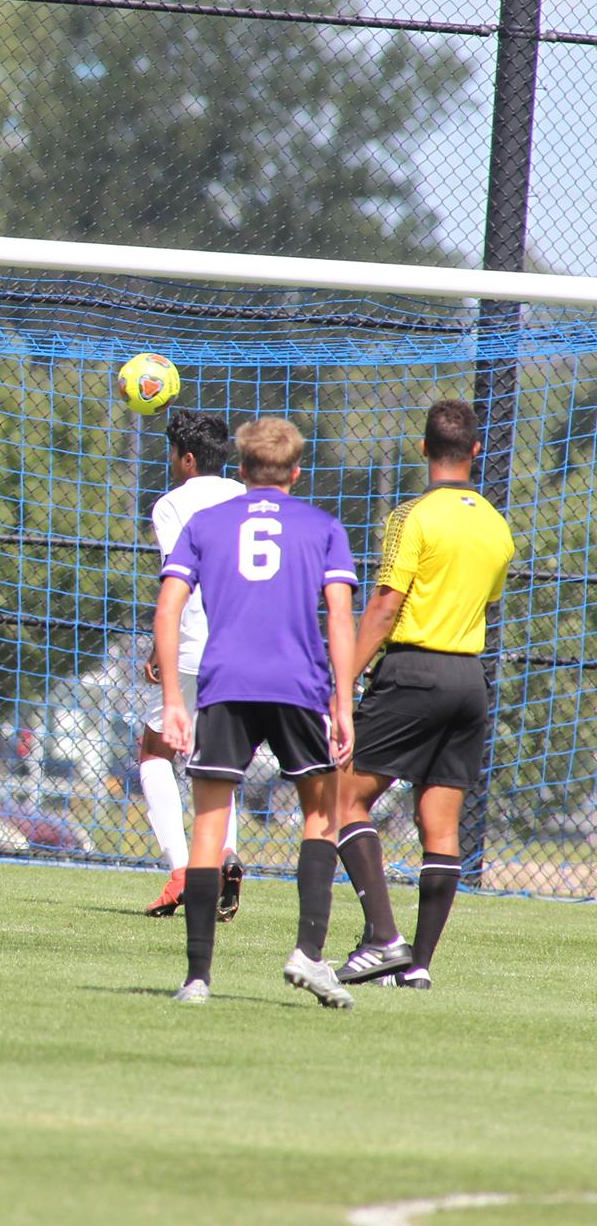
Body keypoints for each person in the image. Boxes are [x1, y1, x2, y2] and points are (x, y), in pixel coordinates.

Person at [155, 418, 358, 1007]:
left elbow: (168, 610)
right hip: (298, 684)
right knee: (321, 814)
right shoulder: (323, 527)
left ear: (241, 469)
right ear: (297, 472)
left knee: (209, 826)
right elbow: (340, 617)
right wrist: (343, 703)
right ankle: (308, 955)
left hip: (226, 683)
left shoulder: (205, 523)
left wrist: (173, 701)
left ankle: (197, 978)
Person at [332, 400, 515, 991]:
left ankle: (383, 939)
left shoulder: (411, 516)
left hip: (414, 671)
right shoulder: (496, 524)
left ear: (423, 448)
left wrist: (343, 679)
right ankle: (418, 967)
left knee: (342, 798)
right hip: (469, 680)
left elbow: (385, 608)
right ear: (476, 451)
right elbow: (485, 600)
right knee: (440, 824)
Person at [138, 409, 247, 918]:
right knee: (217, 755)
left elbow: (177, 580)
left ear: (185, 459)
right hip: (243, 640)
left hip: (192, 638)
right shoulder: (247, 497)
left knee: (155, 750)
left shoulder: (171, 505)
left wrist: (158, 647)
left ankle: (181, 869)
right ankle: (226, 854)